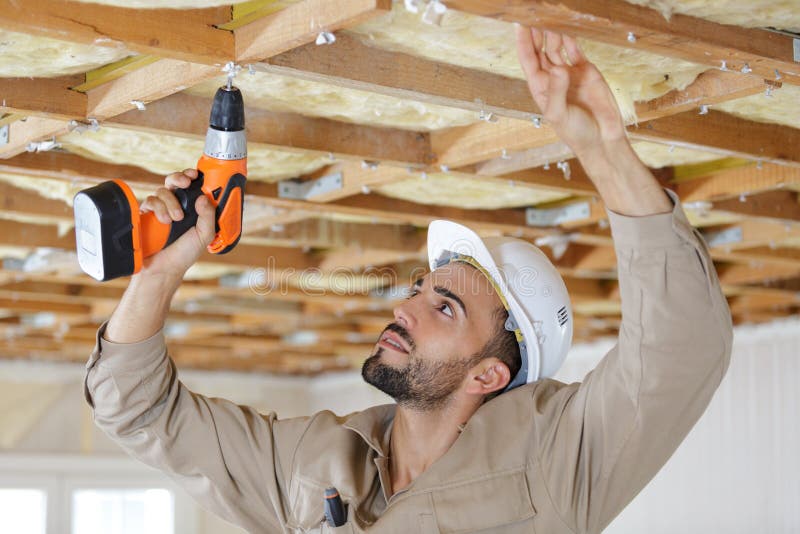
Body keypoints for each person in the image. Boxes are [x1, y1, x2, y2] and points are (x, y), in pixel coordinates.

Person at [84, 27, 732, 534]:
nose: (406, 308)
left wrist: (604, 147)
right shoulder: (316, 463)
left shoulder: (554, 464)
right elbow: (136, 409)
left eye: (444, 308)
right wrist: (159, 274)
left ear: (489, 375)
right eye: (422, 288)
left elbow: (681, 350)